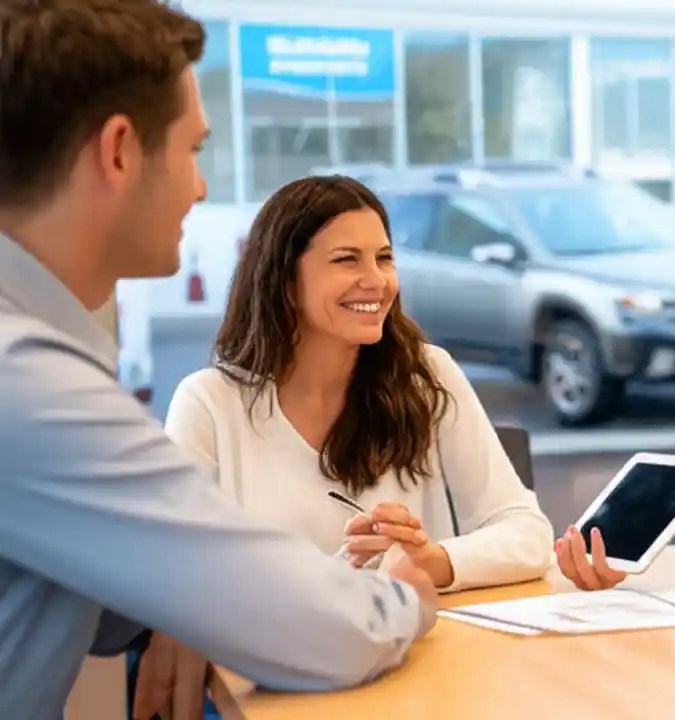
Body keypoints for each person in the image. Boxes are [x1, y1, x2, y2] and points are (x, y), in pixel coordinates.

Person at [0, 3, 441, 718]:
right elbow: (333, 631)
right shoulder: (25, 380)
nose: (199, 188)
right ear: (118, 152)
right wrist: (404, 597)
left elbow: (113, 605)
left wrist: (192, 600)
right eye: (194, 151)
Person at [131, 175, 556, 716]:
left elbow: (526, 532)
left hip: (420, 679)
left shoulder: (428, 376)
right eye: (347, 260)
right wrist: (340, 574)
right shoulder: (210, 403)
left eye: (384, 258)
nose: (376, 280)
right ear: (285, 280)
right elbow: (182, 581)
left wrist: (432, 561)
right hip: (275, 688)